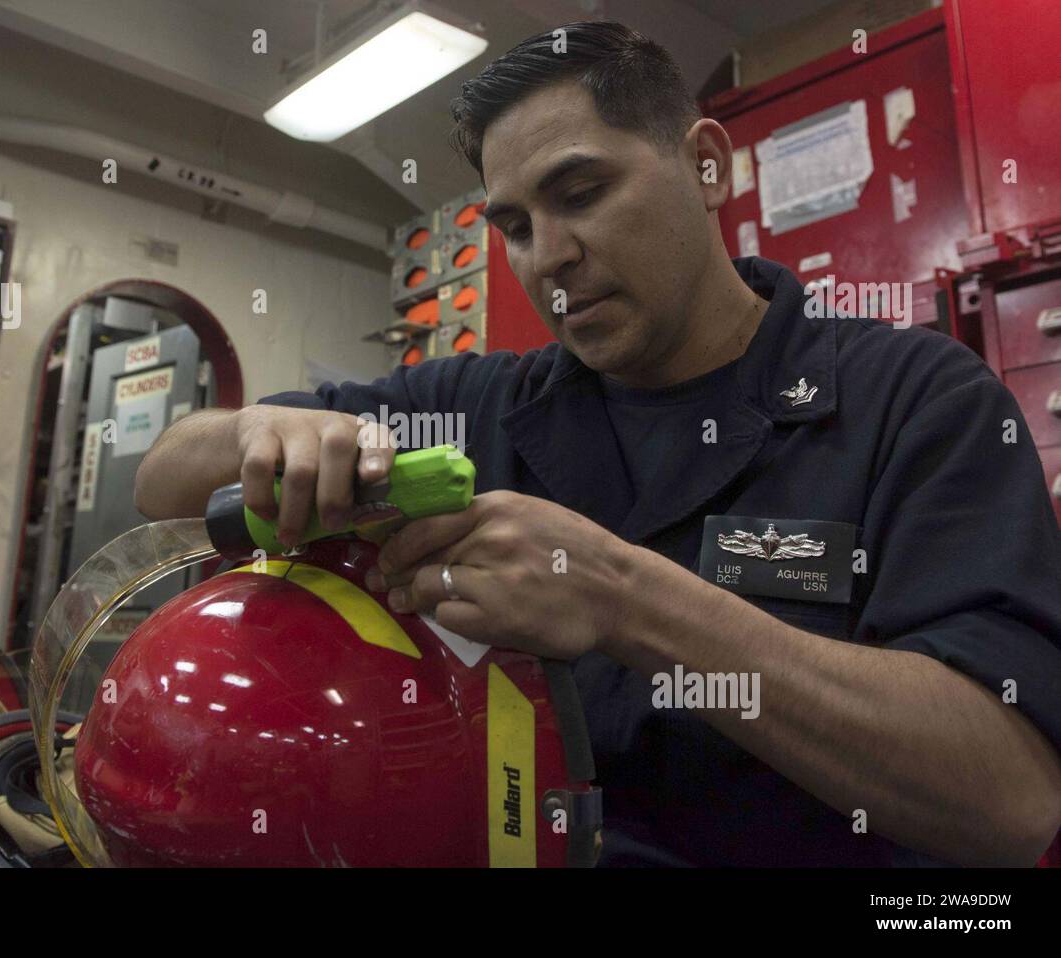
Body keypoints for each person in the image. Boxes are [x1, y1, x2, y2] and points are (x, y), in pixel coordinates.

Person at [134, 21, 1061, 867]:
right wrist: (264, 430)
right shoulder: (476, 405)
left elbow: (1011, 799)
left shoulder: (915, 403)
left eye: (581, 194)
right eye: (515, 227)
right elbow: (165, 481)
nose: (549, 256)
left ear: (706, 166)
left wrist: (623, 599)